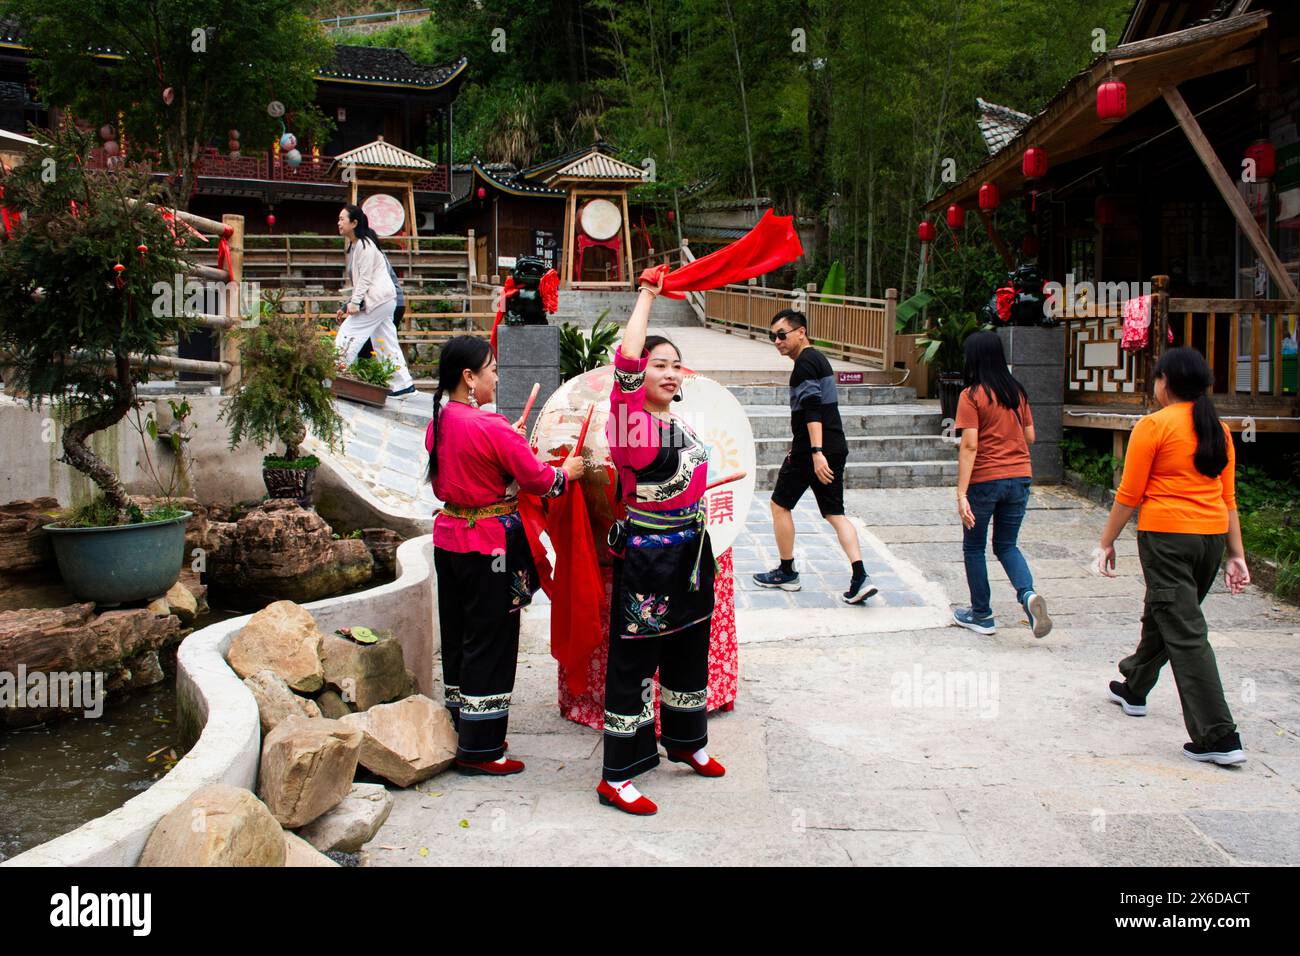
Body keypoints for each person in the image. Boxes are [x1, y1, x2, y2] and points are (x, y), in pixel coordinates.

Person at [598, 264, 726, 816]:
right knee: (634, 660)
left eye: (677, 365)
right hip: (650, 559)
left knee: (688, 647)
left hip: (693, 554)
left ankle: (686, 741)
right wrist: (648, 295)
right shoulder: (628, 423)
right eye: (659, 365)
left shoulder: (680, 422)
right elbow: (624, 362)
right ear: (637, 375)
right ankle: (618, 775)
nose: (671, 374)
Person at [427, 335, 584, 774]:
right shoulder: (489, 426)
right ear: (468, 377)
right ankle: (482, 748)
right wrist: (566, 471)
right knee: (491, 639)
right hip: (491, 545)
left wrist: (505, 444)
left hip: (450, 538)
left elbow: (473, 461)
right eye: (491, 368)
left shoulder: (440, 421)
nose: (497, 375)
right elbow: (540, 481)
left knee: (460, 632)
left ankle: (462, 724)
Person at [1098, 347, 1250, 766]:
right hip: (1210, 541)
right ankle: (1135, 685)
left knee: (1184, 631)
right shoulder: (1218, 428)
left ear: (1165, 382)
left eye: (1156, 379)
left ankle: (1218, 736)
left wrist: (1106, 541)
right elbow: (1228, 498)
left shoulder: (1153, 426)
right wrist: (1236, 554)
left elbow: (1129, 495)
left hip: (1167, 539)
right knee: (1166, 613)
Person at [753, 308, 876, 604]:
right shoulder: (818, 358)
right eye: (773, 337)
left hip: (814, 451)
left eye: (782, 335)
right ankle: (860, 576)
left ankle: (787, 572)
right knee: (835, 514)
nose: (777, 341)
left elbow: (812, 408)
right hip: (834, 445)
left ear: (800, 332)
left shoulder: (805, 362)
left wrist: (815, 452)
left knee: (779, 505)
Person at [951, 332, 1051, 638]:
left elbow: (969, 446)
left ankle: (981, 614)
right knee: (1007, 545)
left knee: (974, 547)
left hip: (985, 481)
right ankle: (1028, 595)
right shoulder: (1016, 392)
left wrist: (961, 492)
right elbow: (1031, 437)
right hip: (1019, 478)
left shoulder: (972, 395)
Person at [335, 204, 416, 398]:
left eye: (342, 219)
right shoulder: (358, 245)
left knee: (349, 332)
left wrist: (354, 304)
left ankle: (336, 374)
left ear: (354, 223)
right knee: (385, 342)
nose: (339, 223)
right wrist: (350, 303)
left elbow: (365, 278)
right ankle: (403, 385)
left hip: (377, 300)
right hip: (384, 299)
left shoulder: (364, 245)